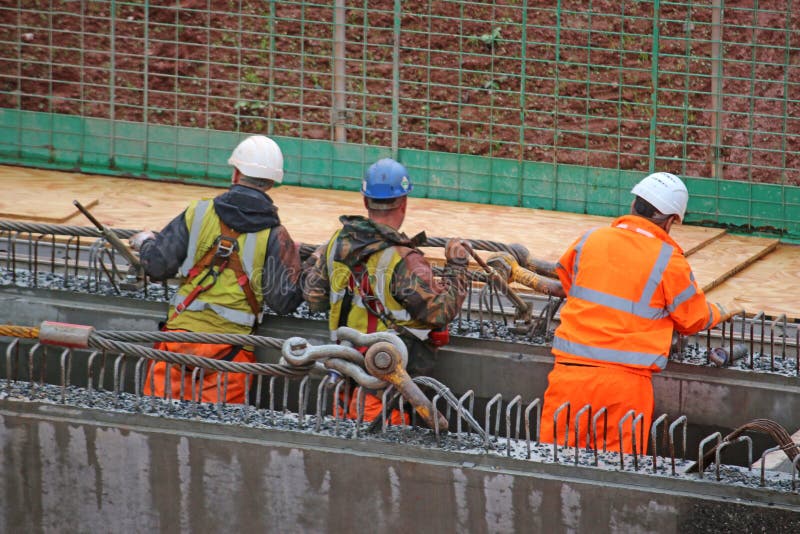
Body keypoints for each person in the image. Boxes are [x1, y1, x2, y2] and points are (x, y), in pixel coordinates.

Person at [535, 172, 743, 454]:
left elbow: (570, 283)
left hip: (570, 377)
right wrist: (719, 311)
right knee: (618, 476)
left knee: (554, 464)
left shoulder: (590, 239)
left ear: (634, 205)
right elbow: (692, 319)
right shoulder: (669, 261)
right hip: (626, 386)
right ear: (670, 220)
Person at [129, 135, 304, 404]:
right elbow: (283, 302)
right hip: (230, 358)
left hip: (177, 346)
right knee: (215, 436)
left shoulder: (198, 213)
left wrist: (146, 243)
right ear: (271, 182)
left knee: (157, 427)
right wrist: (297, 261)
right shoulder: (274, 235)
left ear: (236, 173)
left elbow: (157, 266)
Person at [303, 157, 469, 423]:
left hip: (343, 383)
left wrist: (316, 258)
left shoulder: (335, 244)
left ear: (365, 201)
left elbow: (313, 298)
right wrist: (458, 268)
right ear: (403, 203)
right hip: (385, 394)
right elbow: (441, 312)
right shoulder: (404, 260)